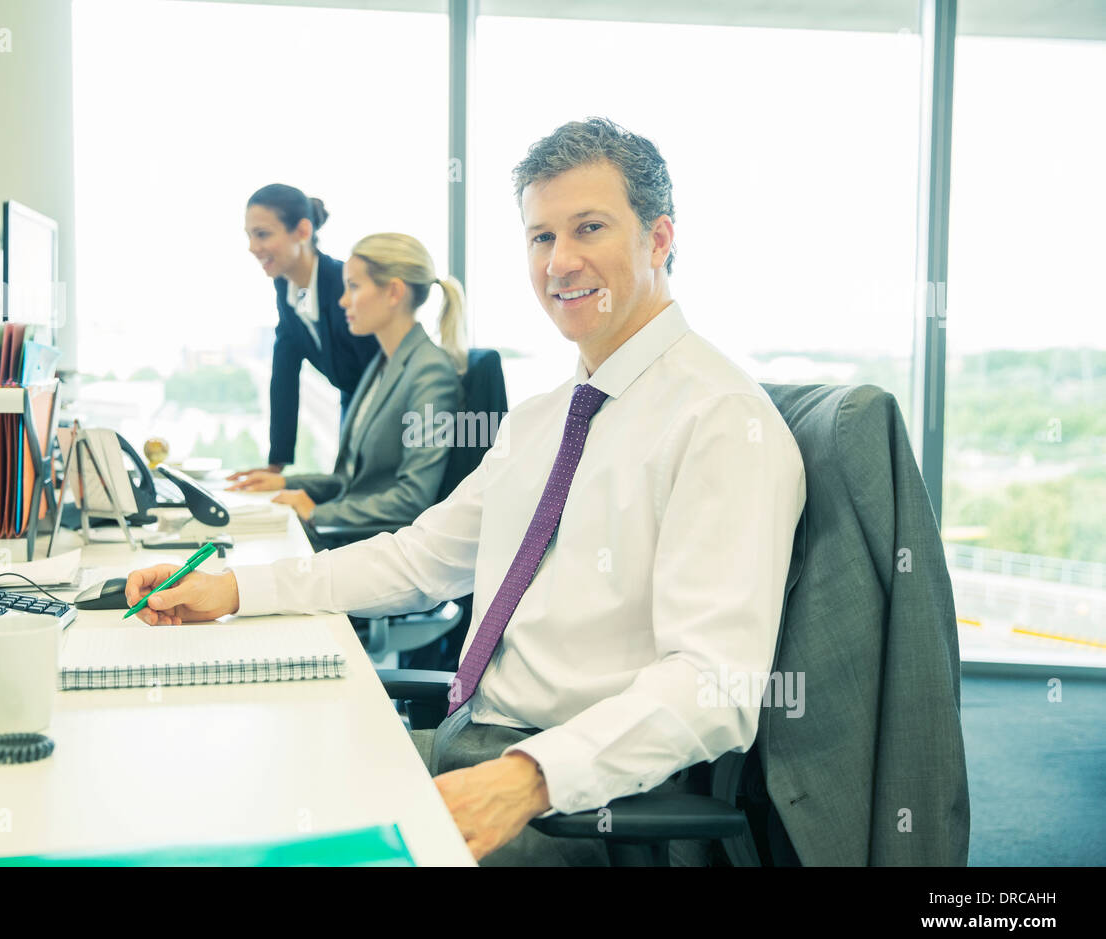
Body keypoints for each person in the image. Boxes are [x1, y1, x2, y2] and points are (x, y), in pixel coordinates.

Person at [126, 118, 806, 866]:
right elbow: (421, 558)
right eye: (541, 237)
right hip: (472, 742)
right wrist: (235, 590)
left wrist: (528, 780)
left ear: (659, 238)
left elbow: (717, 685)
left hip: (581, 804)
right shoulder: (549, 417)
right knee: (225, 787)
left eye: (589, 228)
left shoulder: (720, 422)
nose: (561, 260)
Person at [230, 233, 466, 549]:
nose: (343, 301)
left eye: (353, 287)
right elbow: (351, 482)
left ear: (394, 291)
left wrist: (318, 513)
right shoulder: (382, 365)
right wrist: (286, 482)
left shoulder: (428, 372)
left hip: (383, 551)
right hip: (355, 541)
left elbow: (413, 498)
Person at [232, 184, 379, 478]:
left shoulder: (343, 284)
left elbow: (380, 368)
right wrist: (276, 465)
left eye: (262, 234)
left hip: (385, 408)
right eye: (249, 235)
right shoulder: (287, 288)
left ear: (302, 231)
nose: (252, 247)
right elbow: (284, 373)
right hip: (353, 402)